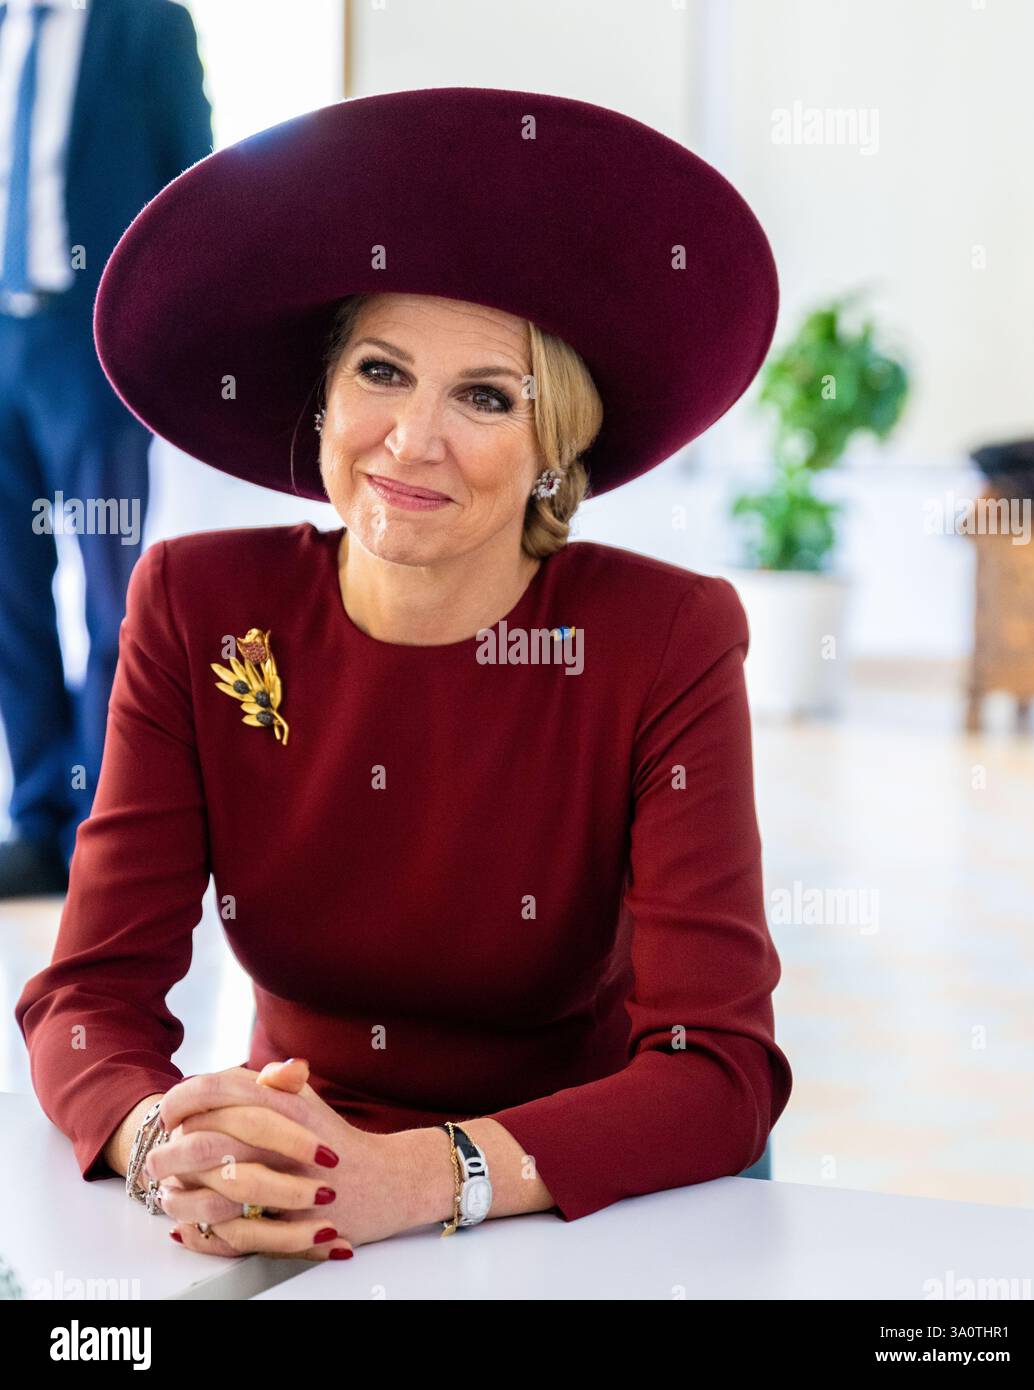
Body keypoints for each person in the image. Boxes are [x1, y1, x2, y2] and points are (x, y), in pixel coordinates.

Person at [16, 87, 793, 1259]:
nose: (411, 439)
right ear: (323, 395)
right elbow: (86, 999)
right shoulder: (196, 604)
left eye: (485, 396)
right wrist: (161, 1138)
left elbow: (717, 1069)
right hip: (302, 1169)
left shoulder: (665, 635)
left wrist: (423, 1176)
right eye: (380, 372)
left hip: (574, 1187)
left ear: (555, 447)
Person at [0, 0, 211, 895]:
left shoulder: (147, 24)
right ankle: (39, 819)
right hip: (2, 340)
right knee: (7, 597)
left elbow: (193, 191)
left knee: (108, 592)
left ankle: (104, 830)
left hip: (92, 349)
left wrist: (160, 341)